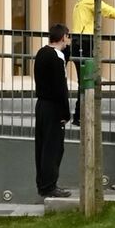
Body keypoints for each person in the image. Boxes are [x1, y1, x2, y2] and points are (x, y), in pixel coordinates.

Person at [34, 24, 73, 199]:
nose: (69, 41)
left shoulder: (42, 53)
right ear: (64, 36)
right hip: (54, 107)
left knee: (42, 146)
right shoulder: (57, 57)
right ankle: (51, 185)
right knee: (54, 147)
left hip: (42, 104)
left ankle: (43, 184)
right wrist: (65, 112)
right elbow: (61, 88)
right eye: (68, 37)